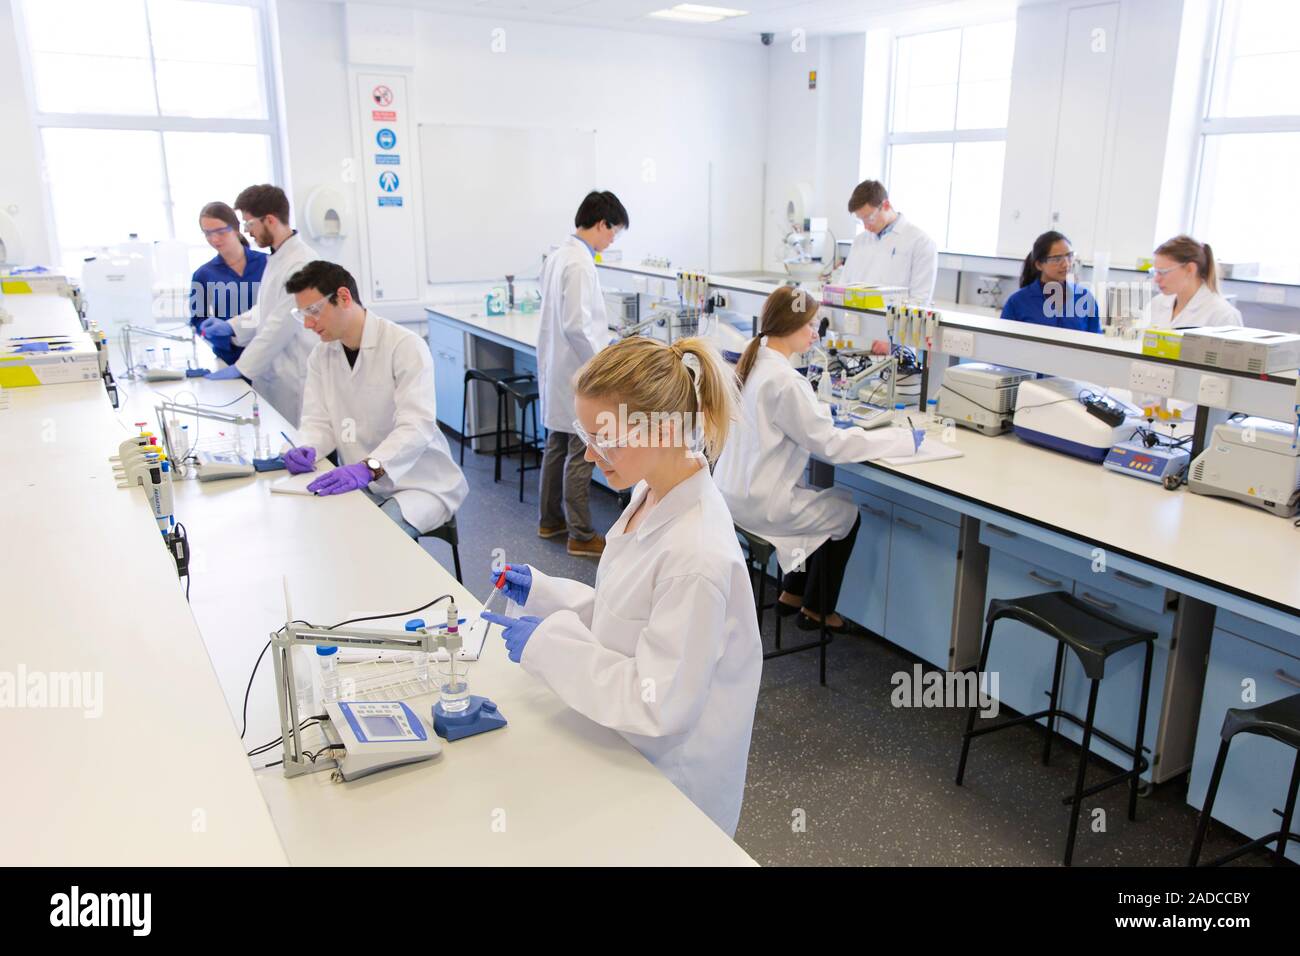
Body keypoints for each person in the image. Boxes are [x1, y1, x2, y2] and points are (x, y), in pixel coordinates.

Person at [480, 336, 762, 836]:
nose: (589, 455)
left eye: (603, 437)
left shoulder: (697, 556)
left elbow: (657, 703)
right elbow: (629, 621)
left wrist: (549, 647)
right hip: (625, 751)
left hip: (672, 786)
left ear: (664, 429)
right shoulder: (651, 493)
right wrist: (546, 595)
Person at [714, 287, 924, 634]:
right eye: (810, 325)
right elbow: (831, 445)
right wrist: (900, 440)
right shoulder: (785, 380)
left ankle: (793, 593)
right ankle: (818, 609)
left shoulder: (753, 366)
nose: (815, 333)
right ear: (790, 324)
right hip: (761, 506)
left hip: (731, 497)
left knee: (821, 499)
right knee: (846, 513)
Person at [279, 261, 468, 539]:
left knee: (375, 538)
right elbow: (318, 422)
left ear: (343, 297)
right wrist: (307, 446)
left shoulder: (404, 346)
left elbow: (416, 425)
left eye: (313, 311)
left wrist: (370, 468)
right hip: (363, 481)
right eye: (301, 315)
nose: (308, 324)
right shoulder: (322, 356)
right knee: (319, 528)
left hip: (421, 483)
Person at [536, 190, 627, 558]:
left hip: (559, 368)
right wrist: (601, 365)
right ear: (602, 223)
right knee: (580, 451)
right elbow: (577, 326)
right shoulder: (578, 263)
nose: (612, 240)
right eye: (614, 231)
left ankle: (550, 520)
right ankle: (581, 533)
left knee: (557, 447)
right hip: (577, 373)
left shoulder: (560, 256)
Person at [197, 184, 318, 427]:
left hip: (294, 376)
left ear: (270, 220)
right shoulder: (278, 257)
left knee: (301, 448)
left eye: (250, 224)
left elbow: (278, 328)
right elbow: (264, 312)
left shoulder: (300, 263)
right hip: (275, 373)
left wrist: (240, 368)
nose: (248, 232)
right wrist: (231, 327)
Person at [189, 201, 268, 367]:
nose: (214, 239)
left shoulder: (267, 263)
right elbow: (197, 320)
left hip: (269, 354)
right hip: (230, 358)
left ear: (236, 228)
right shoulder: (203, 274)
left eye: (220, 231)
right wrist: (212, 332)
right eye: (207, 233)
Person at [840, 179, 938, 304]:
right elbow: (843, 286)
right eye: (861, 220)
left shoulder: (921, 242)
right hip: (856, 320)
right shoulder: (860, 241)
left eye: (870, 218)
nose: (866, 227)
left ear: (886, 205)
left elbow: (920, 300)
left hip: (893, 321)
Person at [1001, 231, 1100, 333]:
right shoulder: (1017, 302)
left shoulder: (1085, 298)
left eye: (1069, 256)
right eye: (1057, 259)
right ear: (1039, 265)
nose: (1066, 264)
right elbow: (1003, 342)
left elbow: (1096, 341)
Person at [1143, 234, 1242, 329]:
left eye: (1163, 272)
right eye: (1155, 272)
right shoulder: (1157, 303)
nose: (1156, 279)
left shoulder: (1223, 315)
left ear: (1190, 269)